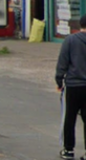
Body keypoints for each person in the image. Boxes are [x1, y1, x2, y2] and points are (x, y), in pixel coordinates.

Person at [56, 14, 86, 160]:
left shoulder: (70, 40)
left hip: (73, 85)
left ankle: (68, 150)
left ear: (81, 24)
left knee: (69, 118)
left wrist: (59, 80)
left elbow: (63, 61)